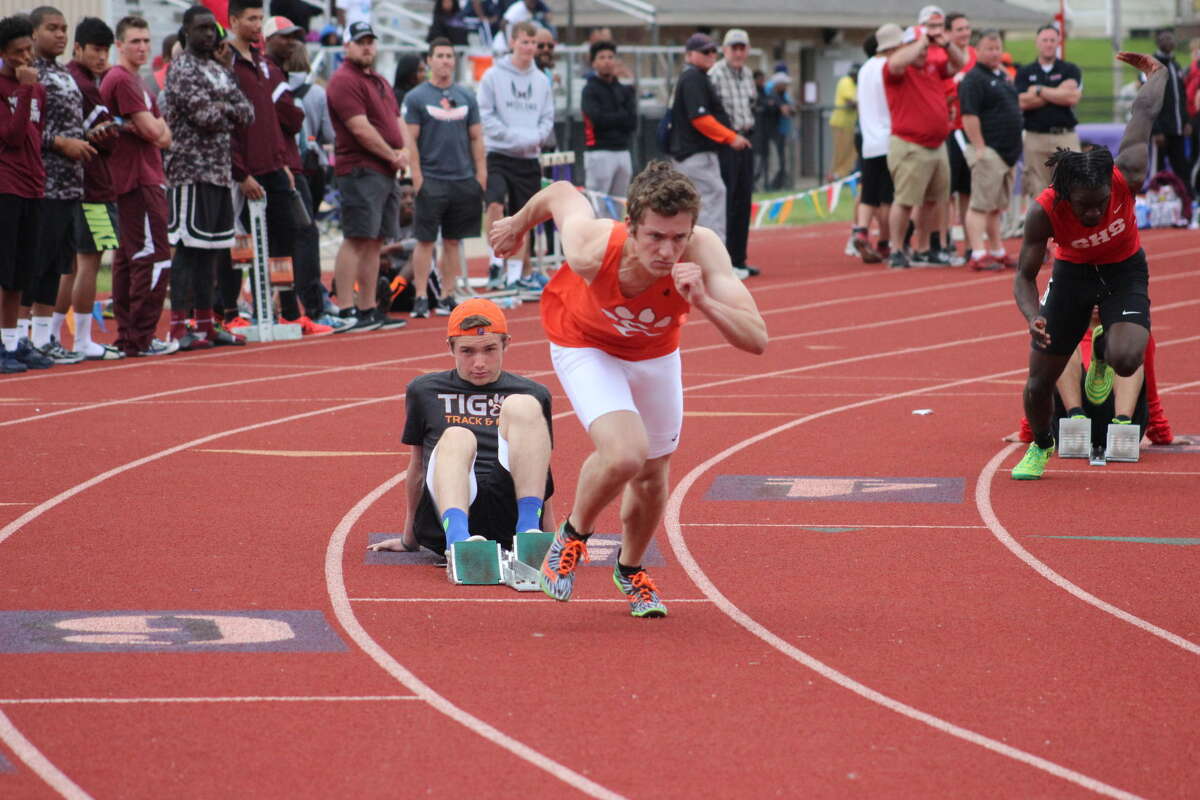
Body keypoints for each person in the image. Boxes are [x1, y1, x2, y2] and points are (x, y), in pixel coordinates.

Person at [488, 161, 767, 617]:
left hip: (654, 353)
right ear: (631, 226)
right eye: (655, 236)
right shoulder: (593, 247)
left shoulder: (704, 251)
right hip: (585, 343)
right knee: (624, 453)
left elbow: (756, 339)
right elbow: (560, 192)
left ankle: (630, 568)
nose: (667, 251)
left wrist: (703, 302)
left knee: (654, 475)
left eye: (678, 238)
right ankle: (572, 537)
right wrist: (518, 225)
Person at [1010, 51, 1167, 480]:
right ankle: (1041, 447)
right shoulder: (1044, 211)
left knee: (1127, 359)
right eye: (1084, 207)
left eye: (1101, 204)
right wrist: (1033, 316)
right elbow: (1024, 275)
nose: (1095, 214)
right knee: (1038, 381)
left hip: (1124, 270)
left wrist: (1158, 73)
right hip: (1072, 276)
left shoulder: (1127, 174)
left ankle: (1103, 350)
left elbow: (1145, 111)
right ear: (1065, 197)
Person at [368, 297, 555, 557]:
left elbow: (539, 468)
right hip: (448, 509)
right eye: (467, 351)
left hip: (507, 509)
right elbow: (418, 467)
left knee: (522, 405)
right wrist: (409, 539)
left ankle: (528, 534)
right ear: (450, 348)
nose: (479, 362)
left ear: (506, 344)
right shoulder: (424, 390)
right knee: (457, 435)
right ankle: (458, 543)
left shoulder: (534, 393)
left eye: (489, 349)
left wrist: (552, 538)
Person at [163, 6, 255, 350]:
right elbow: (205, 116)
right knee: (188, 249)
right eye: (200, 28)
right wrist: (225, 108)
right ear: (186, 33)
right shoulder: (182, 69)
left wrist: (224, 108)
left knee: (212, 252)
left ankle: (205, 325)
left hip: (219, 173)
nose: (207, 34)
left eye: (211, 28)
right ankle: (177, 327)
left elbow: (248, 112)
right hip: (189, 171)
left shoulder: (217, 70)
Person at [327, 21, 410, 332]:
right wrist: (393, 154)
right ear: (347, 45)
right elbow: (359, 128)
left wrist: (404, 153)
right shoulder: (343, 80)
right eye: (360, 41)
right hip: (361, 168)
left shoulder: (378, 80)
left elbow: (395, 119)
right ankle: (347, 308)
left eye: (370, 41)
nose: (367, 47)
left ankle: (368, 307)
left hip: (385, 170)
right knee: (357, 237)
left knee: (374, 241)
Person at [101, 15, 177, 357]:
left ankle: (132, 336)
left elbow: (164, 136)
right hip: (137, 179)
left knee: (132, 257)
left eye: (146, 40)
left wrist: (150, 127)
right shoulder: (122, 80)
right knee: (153, 256)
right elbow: (155, 134)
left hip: (142, 177)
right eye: (135, 41)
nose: (143, 47)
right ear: (119, 46)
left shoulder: (139, 82)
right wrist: (150, 128)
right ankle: (139, 337)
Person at [262, 15, 340, 334]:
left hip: (284, 166)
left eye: (295, 37)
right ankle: (311, 306)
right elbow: (295, 121)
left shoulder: (267, 74)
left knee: (280, 244)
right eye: (286, 37)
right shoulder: (269, 76)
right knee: (304, 236)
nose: (292, 43)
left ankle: (288, 310)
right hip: (288, 168)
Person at [404, 37, 485, 319]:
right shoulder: (416, 98)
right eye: (439, 55)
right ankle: (421, 296)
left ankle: (448, 294)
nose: (445, 61)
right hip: (431, 179)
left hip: (463, 179)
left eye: (450, 56)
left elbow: (476, 137)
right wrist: (417, 177)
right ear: (429, 61)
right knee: (425, 241)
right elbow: (410, 140)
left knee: (453, 241)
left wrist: (481, 175)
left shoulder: (467, 97)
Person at [28, 5, 90, 365]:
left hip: (71, 184)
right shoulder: (30, 73)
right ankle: (22, 337)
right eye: (53, 28)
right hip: (44, 182)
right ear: (34, 34)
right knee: (38, 262)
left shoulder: (64, 73)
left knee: (57, 265)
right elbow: (29, 127)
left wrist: (85, 136)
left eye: (64, 28)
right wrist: (59, 143)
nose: (61, 34)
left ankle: (44, 336)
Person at [882, 10, 964, 269]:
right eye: (918, 48)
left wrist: (945, 43)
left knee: (934, 200)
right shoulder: (897, 70)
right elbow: (895, 63)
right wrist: (921, 41)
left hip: (936, 144)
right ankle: (896, 249)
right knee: (906, 201)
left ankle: (924, 247)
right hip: (910, 144)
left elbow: (959, 63)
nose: (922, 53)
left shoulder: (932, 67)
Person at [477, 20, 552, 292]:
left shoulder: (541, 81)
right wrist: (513, 137)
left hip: (529, 158)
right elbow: (485, 114)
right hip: (499, 153)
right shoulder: (493, 76)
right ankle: (495, 262)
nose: (529, 47)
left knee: (525, 217)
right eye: (524, 42)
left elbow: (547, 118)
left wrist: (533, 139)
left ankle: (516, 275)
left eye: (533, 43)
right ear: (512, 43)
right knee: (495, 206)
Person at [66, 16, 124, 360]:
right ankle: (82, 339)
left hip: (76, 186)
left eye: (105, 50)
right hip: (94, 187)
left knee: (71, 265)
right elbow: (108, 139)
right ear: (79, 48)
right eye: (95, 50)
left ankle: (53, 335)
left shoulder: (77, 80)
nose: (102, 57)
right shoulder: (85, 86)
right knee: (89, 261)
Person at [1, 15, 54, 374]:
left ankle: (13, 341)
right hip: (6, 186)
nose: (26, 59)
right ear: (3, 54)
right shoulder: (12, 87)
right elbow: (13, 137)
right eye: (18, 52)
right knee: (3, 272)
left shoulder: (37, 88)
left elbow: (36, 136)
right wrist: (21, 90)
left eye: (28, 50)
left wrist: (30, 90)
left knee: (22, 273)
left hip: (34, 185)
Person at [667, 33, 750, 248]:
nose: (711, 55)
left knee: (705, 202)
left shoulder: (698, 76)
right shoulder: (693, 77)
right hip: (693, 153)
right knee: (711, 201)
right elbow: (700, 118)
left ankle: (706, 258)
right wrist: (731, 137)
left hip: (700, 153)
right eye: (705, 52)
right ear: (690, 54)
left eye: (713, 51)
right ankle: (713, 258)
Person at [959, 30, 1022, 272]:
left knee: (996, 207)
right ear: (977, 50)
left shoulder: (1003, 75)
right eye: (989, 48)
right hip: (990, 151)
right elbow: (969, 115)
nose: (994, 53)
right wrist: (980, 149)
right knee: (980, 205)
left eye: (997, 48)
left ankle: (997, 250)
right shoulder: (973, 79)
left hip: (1008, 153)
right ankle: (978, 252)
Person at [708, 28, 759, 279]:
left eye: (742, 48)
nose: (738, 53)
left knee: (743, 201)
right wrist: (728, 136)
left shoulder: (747, 74)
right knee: (726, 202)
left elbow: (751, 104)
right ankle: (725, 261)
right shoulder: (715, 74)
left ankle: (740, 258)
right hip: (726, 142)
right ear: (725, 50)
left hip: (745, 138)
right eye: (734, 48)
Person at [1015, 24, 1082, 203]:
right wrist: (1057, 91)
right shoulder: (1025, 72)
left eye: (1052, 40)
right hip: (1035, 138)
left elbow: (1072, 98)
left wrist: (1038, 90)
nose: (1049, 44)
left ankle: (1069, 229)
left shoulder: (1070, 69)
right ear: (1037, 42)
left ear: (1058, 42)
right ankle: (1044, 230)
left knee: (1072, 184)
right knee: (1039, 191)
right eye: (1045, 40)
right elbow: (1022, 102)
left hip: (1064, 136)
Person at [851, 23, 900, 263]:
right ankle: (884, 241)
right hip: (890, 138)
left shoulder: (865, 68)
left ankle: (861, 229)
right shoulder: (889, 67)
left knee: (868, 192)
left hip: (868, 139)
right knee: (887, 197)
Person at [581, 39, 636, 206]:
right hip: (599, 151)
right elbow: (597, 120)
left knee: (620, 203)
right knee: (598, 201)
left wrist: (613, 118)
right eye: (602, 57)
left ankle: (617, 233)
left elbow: (632, 122)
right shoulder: (590, 90)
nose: (607, 61)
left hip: (622, 151)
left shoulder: (624, 90)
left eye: (610, 57)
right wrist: (620, 117)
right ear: (594, 63)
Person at [940, 11, 975, 265]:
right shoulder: (943, 57)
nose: (964, 33)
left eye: (966, 28)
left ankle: (972, 244)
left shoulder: (974, 55)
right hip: (948, 131)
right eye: (959, 29)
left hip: (970, 131)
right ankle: (944, 242)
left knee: (968, 192)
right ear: (948, 33)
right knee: (946, 192)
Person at [1150, 27, 1190, 182]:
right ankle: (1154, 200)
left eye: (1171, 38)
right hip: (1161, 131)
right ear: (1157, 42)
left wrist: (1185, 121)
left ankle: (1188, 201)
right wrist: (1156, 130)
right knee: (1158, 170)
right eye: (1164, 38)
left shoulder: (1176, 65)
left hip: (1177, 129)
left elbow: (1182, 95)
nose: (1169, 42)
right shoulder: (1152, 65)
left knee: (1182, 167)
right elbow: (1149, 100)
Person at [829, 62, 859, 179]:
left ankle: (843, 176)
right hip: (841, 123)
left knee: (851, 153)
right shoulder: (846, 81)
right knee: (841, 153)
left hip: (849, 124)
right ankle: (835, 176)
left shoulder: (854, 83)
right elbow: (850, 101)